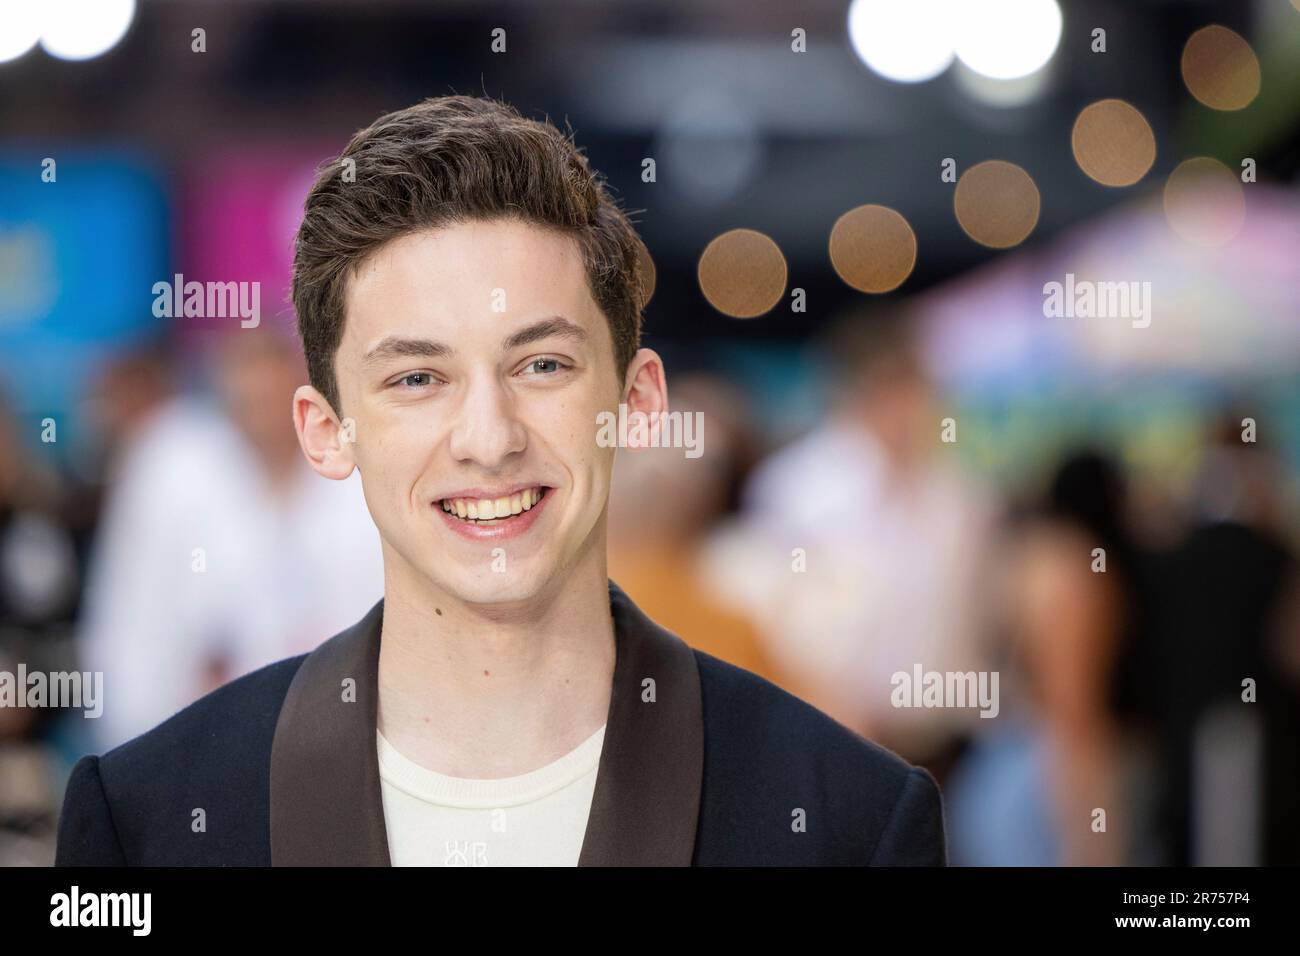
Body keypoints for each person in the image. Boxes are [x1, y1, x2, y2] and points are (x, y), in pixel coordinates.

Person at [54, 94, 945, 866]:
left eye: (542, 366)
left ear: (637, 402)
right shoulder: (151, 820)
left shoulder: (847, 822)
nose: (488, 439)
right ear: (328, 433)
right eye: (416, 379)